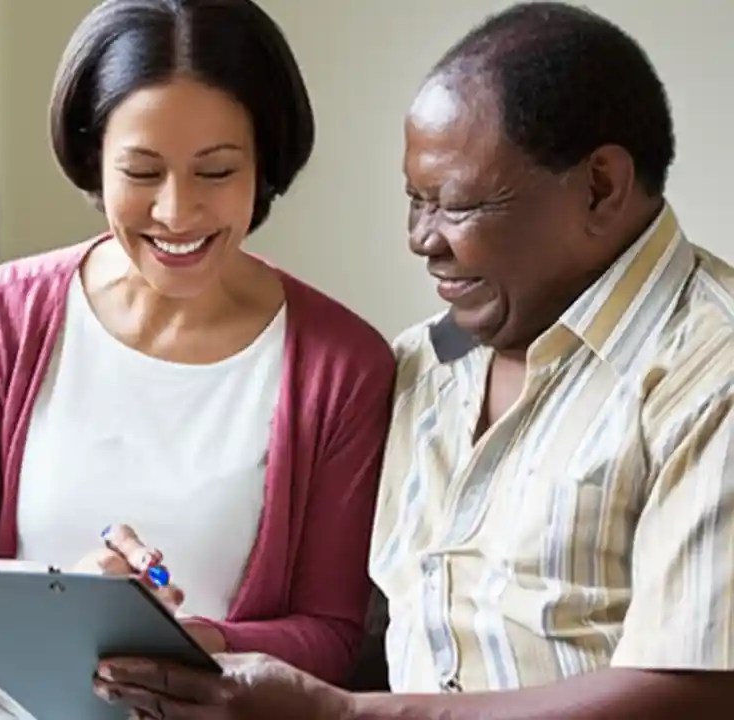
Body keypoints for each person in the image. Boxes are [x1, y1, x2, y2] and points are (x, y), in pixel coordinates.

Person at [94, 2, 733, 718]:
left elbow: (701, 693)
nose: (421, 239)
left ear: (599, 188)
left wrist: (338, 715)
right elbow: (335, 622)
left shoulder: (712, 370)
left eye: (454, 205)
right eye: (413, 200)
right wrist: (166, 627)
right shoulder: (422, 367)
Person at [0, 0, 396, 718]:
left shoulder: (343, 365)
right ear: (94, 158)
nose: (176, 211)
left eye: (216, 171)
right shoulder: (1, 314)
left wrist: (182, 641)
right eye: (141, 171)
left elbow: (331, 634)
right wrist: (68, 601)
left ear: (265, 162)